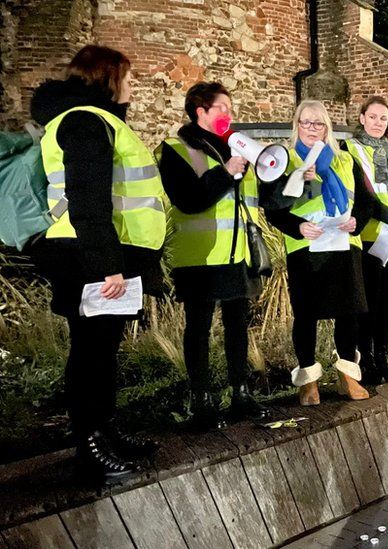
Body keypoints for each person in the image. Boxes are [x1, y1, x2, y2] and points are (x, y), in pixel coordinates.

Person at [30, 45, 167, 478]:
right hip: (90, 257)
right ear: (107, 78)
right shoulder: (84, 120)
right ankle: (88, 444)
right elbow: (87, 200)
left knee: (104, 348)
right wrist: (108, 265)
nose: (131, 85)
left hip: (105, 255)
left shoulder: (94, 119)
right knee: (90, 350)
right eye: (126, 77)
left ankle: (103, 429)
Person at [156, 82, 270, 430]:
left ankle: (240, 392)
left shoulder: (235, 148)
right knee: (199, 328)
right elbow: (188, 199)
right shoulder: (175, 149)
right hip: (199, 257)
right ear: (199, 111)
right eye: (221, 107)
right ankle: (202, 399)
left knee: (238, 325)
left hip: (237, 253)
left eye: (230, 108)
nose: (228, 114)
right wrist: (227, 172)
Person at [264, 100, 371, 403]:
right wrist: (296, 190)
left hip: (344, 243)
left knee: (349, 311)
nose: (312, 129)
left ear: (328, 128)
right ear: (296, 125)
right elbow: (272, 207)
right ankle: (308, 381)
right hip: (306, 247)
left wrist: (356, 221)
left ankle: (347, 376)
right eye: (306, 122)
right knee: (306, 314)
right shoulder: (284, 159)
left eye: (319, 123)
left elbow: (366, 202)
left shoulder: (345, 159)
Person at [342, 96, 388, 385]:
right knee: (368, 302)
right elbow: (365, 195)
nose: (377, 123)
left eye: (383, 118)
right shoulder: (351, 149)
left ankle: (382, 355)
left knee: (386, 302)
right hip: (371, 237)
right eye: (372, 117)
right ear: (361, 118)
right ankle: (366, 359)